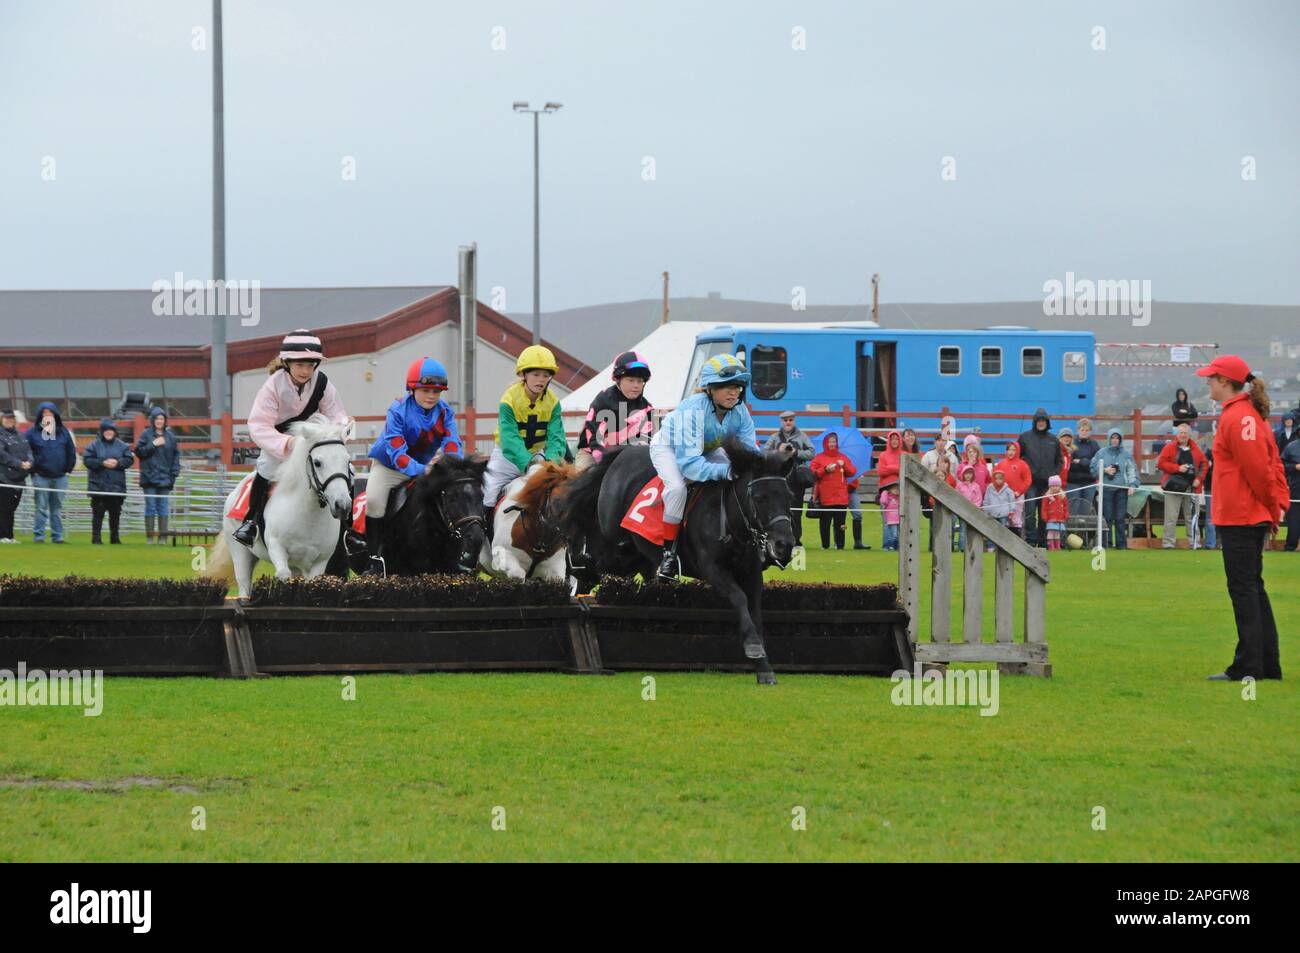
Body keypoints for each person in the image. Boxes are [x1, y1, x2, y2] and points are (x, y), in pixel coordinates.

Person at [1197, 355, 1289, 681]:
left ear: (1225, 381)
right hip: (1246, 515)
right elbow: (1271, 465)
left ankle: (1249, 665)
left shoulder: (1240, 419)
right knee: (1253, 588)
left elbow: (1259, 470)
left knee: (1244, 590)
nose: (1207, 382)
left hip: (1241, 516)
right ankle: (1266, 663)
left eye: (1211, 378)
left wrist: (1272, 505)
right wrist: (1274, 506)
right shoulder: (1249, 417)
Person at [235, 330, 349, 547]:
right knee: (265, 470)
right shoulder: (272, 386)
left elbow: (336, 415)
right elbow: (258, 425)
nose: (306, 371)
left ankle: (348, 530)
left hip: (314, 444)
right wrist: (286, 444)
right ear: (286, 363)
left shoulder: (323, 384)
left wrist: (342, 429)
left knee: (345, 472)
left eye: (310, 365)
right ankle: (252, 522)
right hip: (279, 444)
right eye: (300, 365)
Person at [648, 352, 757, 580]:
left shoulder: (740, 411)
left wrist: (762, 469)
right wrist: (726, 471)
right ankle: (669, 555)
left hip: (705, 449)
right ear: (710, 389)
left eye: (737, 386)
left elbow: (750, 453)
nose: (734, 391)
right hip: (668, 448)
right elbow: (690, 466)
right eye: (726, 386)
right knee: (677, 488)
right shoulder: (693, 409)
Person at [364, 357, 462, 571]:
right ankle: (374, 558)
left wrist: (450, 464)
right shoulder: (397, 410)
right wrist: (422, 470)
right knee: (373, 501)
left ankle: (459, 554)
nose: (431, 396)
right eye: (426, 390)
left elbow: (453, 442)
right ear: (412, 388)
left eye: (436, 392)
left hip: (426, 468)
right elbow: (397, 452)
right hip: (391, 467)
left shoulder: (445, 412)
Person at [483, 345, 568, 521]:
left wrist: (549, 465)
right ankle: (483, 539)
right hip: (507, 457)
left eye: (546, 375)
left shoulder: (553, 402)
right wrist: (528, 463)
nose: (541, 380)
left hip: (539, 456)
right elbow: (509, 438)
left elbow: (556, 437)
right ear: (524, 374)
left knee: (561, 491)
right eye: (536, 374)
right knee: (488, 492)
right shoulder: (509, 399)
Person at [576, 351, 654, 472]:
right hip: (592, 455)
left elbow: (647, 442)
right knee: (582, 484)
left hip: (625, 459)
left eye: (640, 381)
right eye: (631, 380)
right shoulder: (603, 400)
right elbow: (595, 438)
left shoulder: (647, 408)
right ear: (618, 379)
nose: (636, 385)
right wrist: (608, 465)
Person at [25, 401, 77, 544]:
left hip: (60, 477)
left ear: (55, 415)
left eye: (50, 413)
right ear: (40, 415)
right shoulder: (31, 433)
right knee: (41, 507)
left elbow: (71, 452)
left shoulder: (63, 432)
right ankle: (39, 536)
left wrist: (68, 470)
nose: (47, 415)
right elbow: (25, 452)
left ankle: (57, 536)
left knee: (57, 508)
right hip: (40, 476)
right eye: (44, 413)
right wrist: (32, 470)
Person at [763, 410, 815, 547]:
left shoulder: (802, 436)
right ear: (781, 422)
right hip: (777, 479)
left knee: (796, 512)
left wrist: (795, 452)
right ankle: (777, 539)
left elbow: (812, 453)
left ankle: (796, 539)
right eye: (785, 420)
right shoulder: (774, 437)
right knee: (776, 510)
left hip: (796, 481)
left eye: (790, 420)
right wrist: (777, 452)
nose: (788, 422)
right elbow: (764, 453)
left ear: (794, 421)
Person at [134, 406, 183, 545]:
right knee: (150, 506)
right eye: (157, 418)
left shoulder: (171, 437)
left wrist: (174, 473)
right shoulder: (146, 435)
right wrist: (153, 444)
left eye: (161, 418)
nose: (159, 421)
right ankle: (150, 537)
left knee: (163, 507)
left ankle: (163, 538)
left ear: (165, 420)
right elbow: (139, 452)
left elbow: (175, 457)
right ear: (152, 420)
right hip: (149, 477)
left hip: (165, 478)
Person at [83, 418, 134, 545]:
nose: (108, 433)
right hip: (98, 486)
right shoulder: (93, 445)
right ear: (102, 431)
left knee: (115, 514)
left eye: (111, 430)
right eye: (106, 430)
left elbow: (129, 460)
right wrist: (102, 463)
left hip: (116, 486)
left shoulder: (122, 446)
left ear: (115, 432)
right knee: (97, 514)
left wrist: (118, 463)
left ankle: (114, 538)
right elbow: (87, 460)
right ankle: (96, 538)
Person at [1156, 422, 1207, 549]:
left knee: (1192, 517)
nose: (1183, 435)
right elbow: (1161, 463)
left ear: (1189, 435)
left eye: (1185, 433)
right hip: (1173, 487)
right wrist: (1177, 468)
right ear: (1176, 434)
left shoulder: (1196, 449)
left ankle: (1194, 542)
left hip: (1191, 488)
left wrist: (1199, 479)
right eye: (1181, 433)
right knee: (1170, 517)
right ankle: (1168, 544)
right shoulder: (1169, 447)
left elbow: (1204, 465)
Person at [1017, 408, 1064, 547]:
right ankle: (1031, 541)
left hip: (1047, 485)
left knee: (1045, 514)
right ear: (1035, 422)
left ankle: (1043, 541)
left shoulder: (1053, 440)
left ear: (1047, 422)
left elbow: (1060, 460)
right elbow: (1018, 458)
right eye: (1039, 420)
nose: (1041, 423)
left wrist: (1053, 475)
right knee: (1030, 513)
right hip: (1030, 483)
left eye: (1044, 421)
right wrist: (1023, 476)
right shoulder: (1025, 438)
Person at [1090, 428, 1139, 549]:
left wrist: (1133, 485)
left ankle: (1121, 544)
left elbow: (1132, 470)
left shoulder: (1126, 455)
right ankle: (1107, 543)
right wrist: (1104, 470)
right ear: (1109, 439)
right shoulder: (1101, 453)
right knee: (1107, 518)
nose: (1115, 440)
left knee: (1120, 518)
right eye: (1112, 437)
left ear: (1120, 439)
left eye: (1117, 438)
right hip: (1106, 489)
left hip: (1121, 489)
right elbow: (1092, 469)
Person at [810, 431, 855, 550]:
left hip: (841, 497)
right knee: (825, 523)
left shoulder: (843, 457)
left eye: (834, 441)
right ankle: (825, 545)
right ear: (826, 443)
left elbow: (852, 472)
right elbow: (813, 473)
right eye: (830, 442)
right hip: (825, 497)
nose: (832, 444)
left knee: (841, 524)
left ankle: (840, 545)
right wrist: (825, 469)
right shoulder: (819, 457)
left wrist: (844, 465)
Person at [0, 408, 34, 544]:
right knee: (4, 508)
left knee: (12, 508)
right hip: (4, 477)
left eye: (11, 418)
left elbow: (29, 451)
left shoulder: (21, 436)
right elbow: (2, 455)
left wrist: (30, 462)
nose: (9, 421)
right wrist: (19, 463)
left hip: (19, 478)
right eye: (6, 418)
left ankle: (9, 535)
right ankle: (3, 536)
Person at [992, 441, 1032, 537]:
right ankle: (1003, 542)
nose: (1011, 452)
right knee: (1004, 519)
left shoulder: (1022, 464)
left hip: (1017, 497)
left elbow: (1028, 480)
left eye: (1014, 450)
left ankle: (1016, 543)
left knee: (1015, 520)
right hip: (1003, 498)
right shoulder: (1001, 464)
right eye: (1009, 449)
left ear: (1018, 451)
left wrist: (1019, 492)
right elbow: (993, 478)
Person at [875, 430, 904, 550]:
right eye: (892, 439)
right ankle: (886, 545)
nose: (894, 441)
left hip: (901, 492)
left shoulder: (904, 454)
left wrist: (890, 468)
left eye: (896, 439)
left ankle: (898, 545)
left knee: (900, 520)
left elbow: (905, 470)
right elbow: (881, 471)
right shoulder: (883, 455)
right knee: (887, 520)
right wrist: (897, 468)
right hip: (886, 492)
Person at [1067, 418, 1101, 508]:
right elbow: (1070, 463)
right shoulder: (1072, 443)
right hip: (1073, 482)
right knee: (1074, 508)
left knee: (1086, 508)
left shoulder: (1094, 444)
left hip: (1089, 482)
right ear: (1078, 430)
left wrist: (1081, 461)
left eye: (1087, 430)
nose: (1084, 432)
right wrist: (1087, 463)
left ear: (1090, 431)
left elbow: (1096, 462)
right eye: (1082, 430)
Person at [982, 469, 1016, 551]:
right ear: (993, 479)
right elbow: (986, 500)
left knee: (1003, 530)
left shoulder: (1008, 490)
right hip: (992, 513)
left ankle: (1002, 546)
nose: (998, 481)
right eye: (996, 478)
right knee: (991, 530)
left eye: (1000, 478)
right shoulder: (989, 489)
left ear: (1003, 479)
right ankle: (991, 546)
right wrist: (986, 510)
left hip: (1004, 514)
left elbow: (1012, 501)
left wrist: (1012, 511)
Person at [955, 463, 984, 552]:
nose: (968, 475)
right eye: (966, 473)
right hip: (962, 511)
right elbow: (956, 497)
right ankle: (962, 547)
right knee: (962, 529)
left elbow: (979, 498)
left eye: (970, 473)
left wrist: (974, 508)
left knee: (972, 530)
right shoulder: (959, 485)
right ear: (963, 474)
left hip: (973, 512)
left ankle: (972, 546)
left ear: (973, 475)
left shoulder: (976, 486)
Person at [1281, 433, 1300, 552]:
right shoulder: (1291, 447)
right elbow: (1281, 465)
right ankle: (1291, 545)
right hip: (1295, 489)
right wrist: (1295, 467)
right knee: (1294, 520)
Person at [1198, 431, 1217, 550]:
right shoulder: (1208, 454)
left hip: (1226, 490)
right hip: (1211, 488)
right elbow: (1204, 469)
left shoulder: (1229, 454)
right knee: (1210, 518)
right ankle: (1211, 544)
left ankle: (1223, 544)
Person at [1041, 475, 1070, 551]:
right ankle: (1051, 546)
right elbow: (1044, 507)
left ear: (1060, 486)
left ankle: (1057, 546)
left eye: (1056, 485)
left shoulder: (1063, 496)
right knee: (1051, 532)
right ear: (1049, 486)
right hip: (1051, 518)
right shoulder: (1047, 497)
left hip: (1060, 518)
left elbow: (1066, 507)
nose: (1055, 487)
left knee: (1057, 533)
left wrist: (1066, 514)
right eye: (1052, 486)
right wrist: (1044, 516)